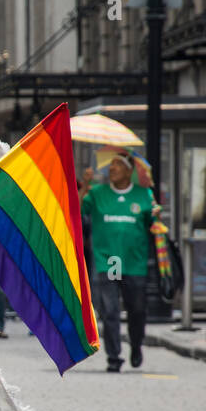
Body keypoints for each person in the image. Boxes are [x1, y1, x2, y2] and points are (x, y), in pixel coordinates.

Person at [78, 148, 159, 371]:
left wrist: (157, 219)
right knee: (110, 311)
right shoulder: (97, 193)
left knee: (137, 310)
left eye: (117, 165)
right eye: (110, 165)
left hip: (135, 263)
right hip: (108, 262)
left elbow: (155, 226)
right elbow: (74, 210)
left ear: (129, 170)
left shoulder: (144, 195)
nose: (112, 168)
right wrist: (84, 184)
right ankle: (114, 357)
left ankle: (136, 345)